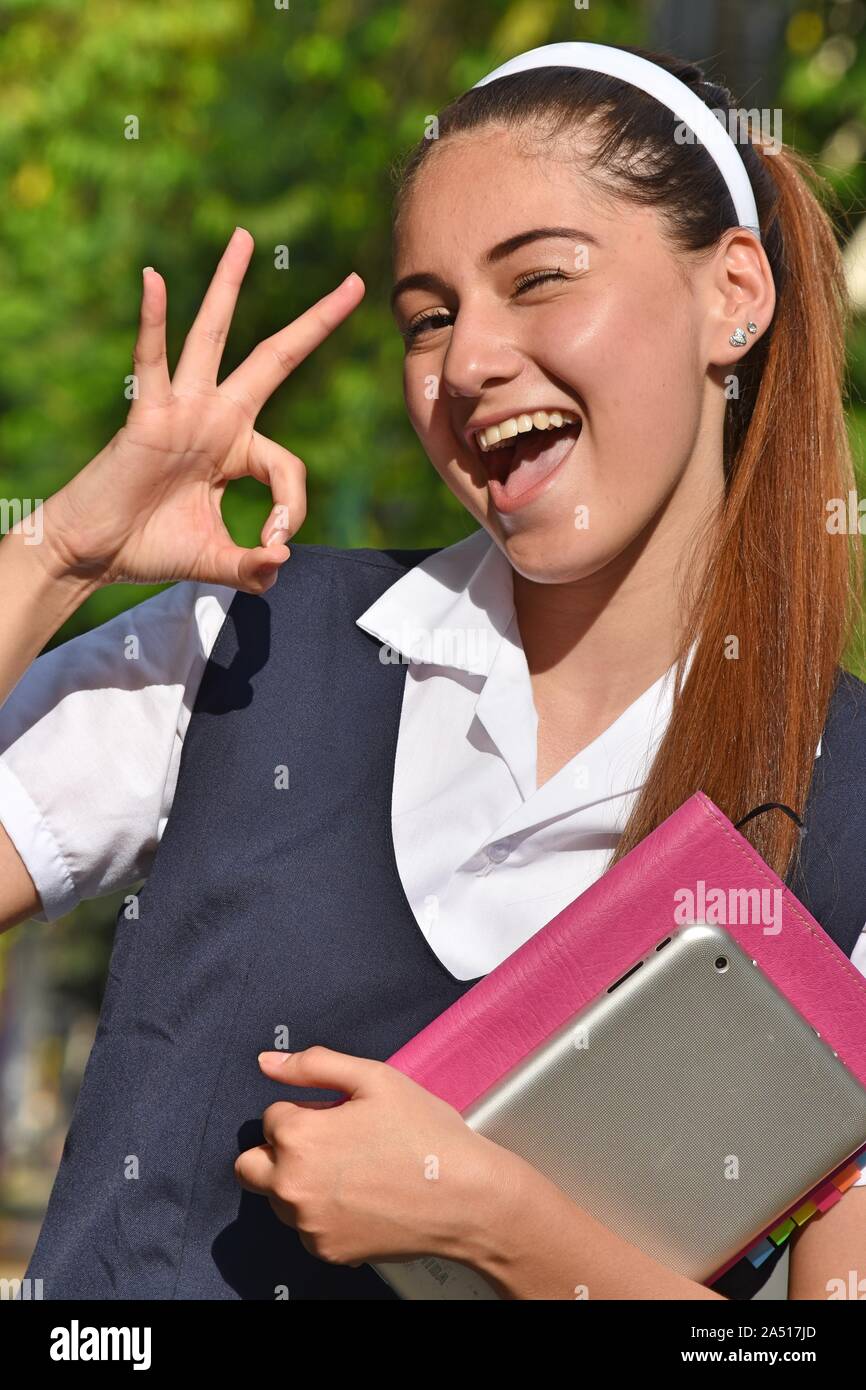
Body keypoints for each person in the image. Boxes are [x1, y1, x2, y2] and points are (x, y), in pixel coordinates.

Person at [1, 41, 865, 1301]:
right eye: (430, 317)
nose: (468, 363)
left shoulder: (845, 812)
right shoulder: (242, 643)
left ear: (733, 293)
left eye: (539, 280)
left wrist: (491, 1221)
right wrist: (55, 552)